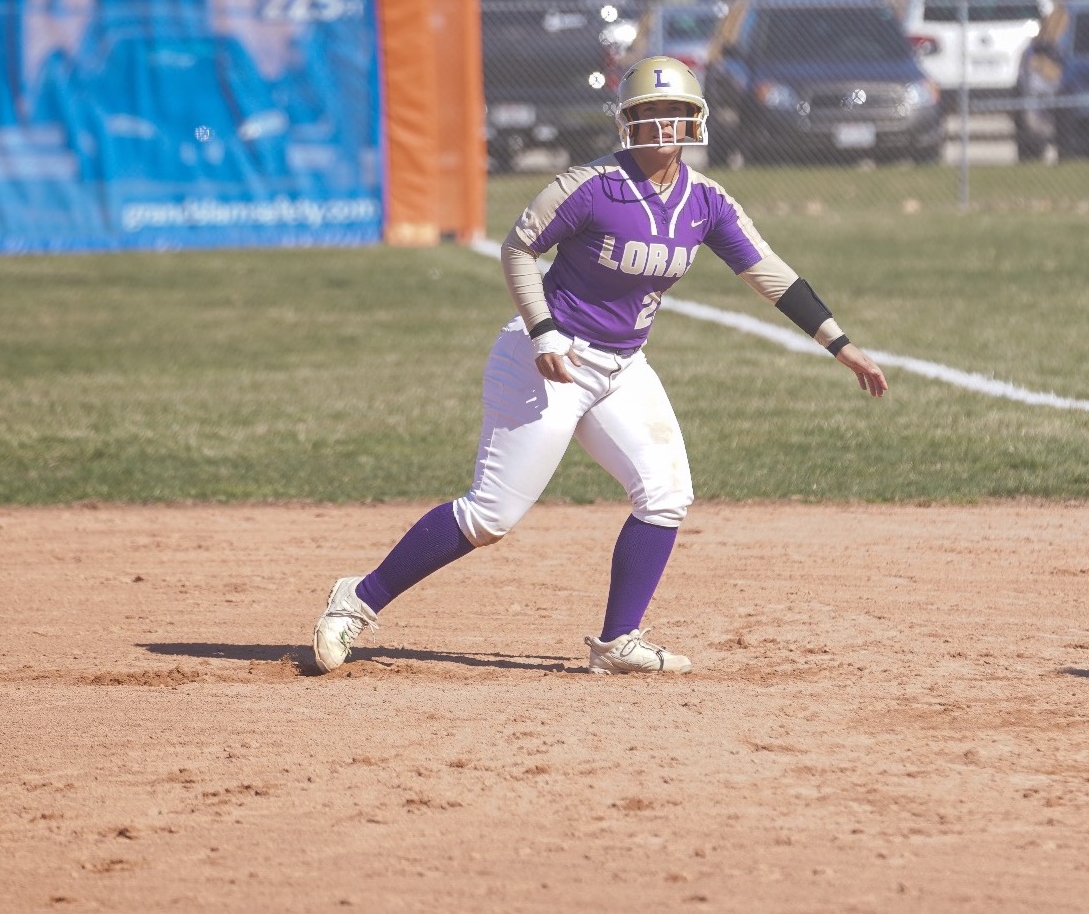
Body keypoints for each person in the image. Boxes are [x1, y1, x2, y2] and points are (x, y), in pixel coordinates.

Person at [311, 55, 888, 675]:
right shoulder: (589, 186)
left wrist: (838, 342)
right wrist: (543, 331)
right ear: (625, 120)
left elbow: (768, 273)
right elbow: (519, 248)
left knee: (666, 495)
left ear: (695, 120)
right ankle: (357, 598)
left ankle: (617, 642)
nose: (662, 125)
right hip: (548, 359)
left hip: (623, 367)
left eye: (674, 112)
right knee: (490, 517)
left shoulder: (706, 201)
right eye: (649, 112)